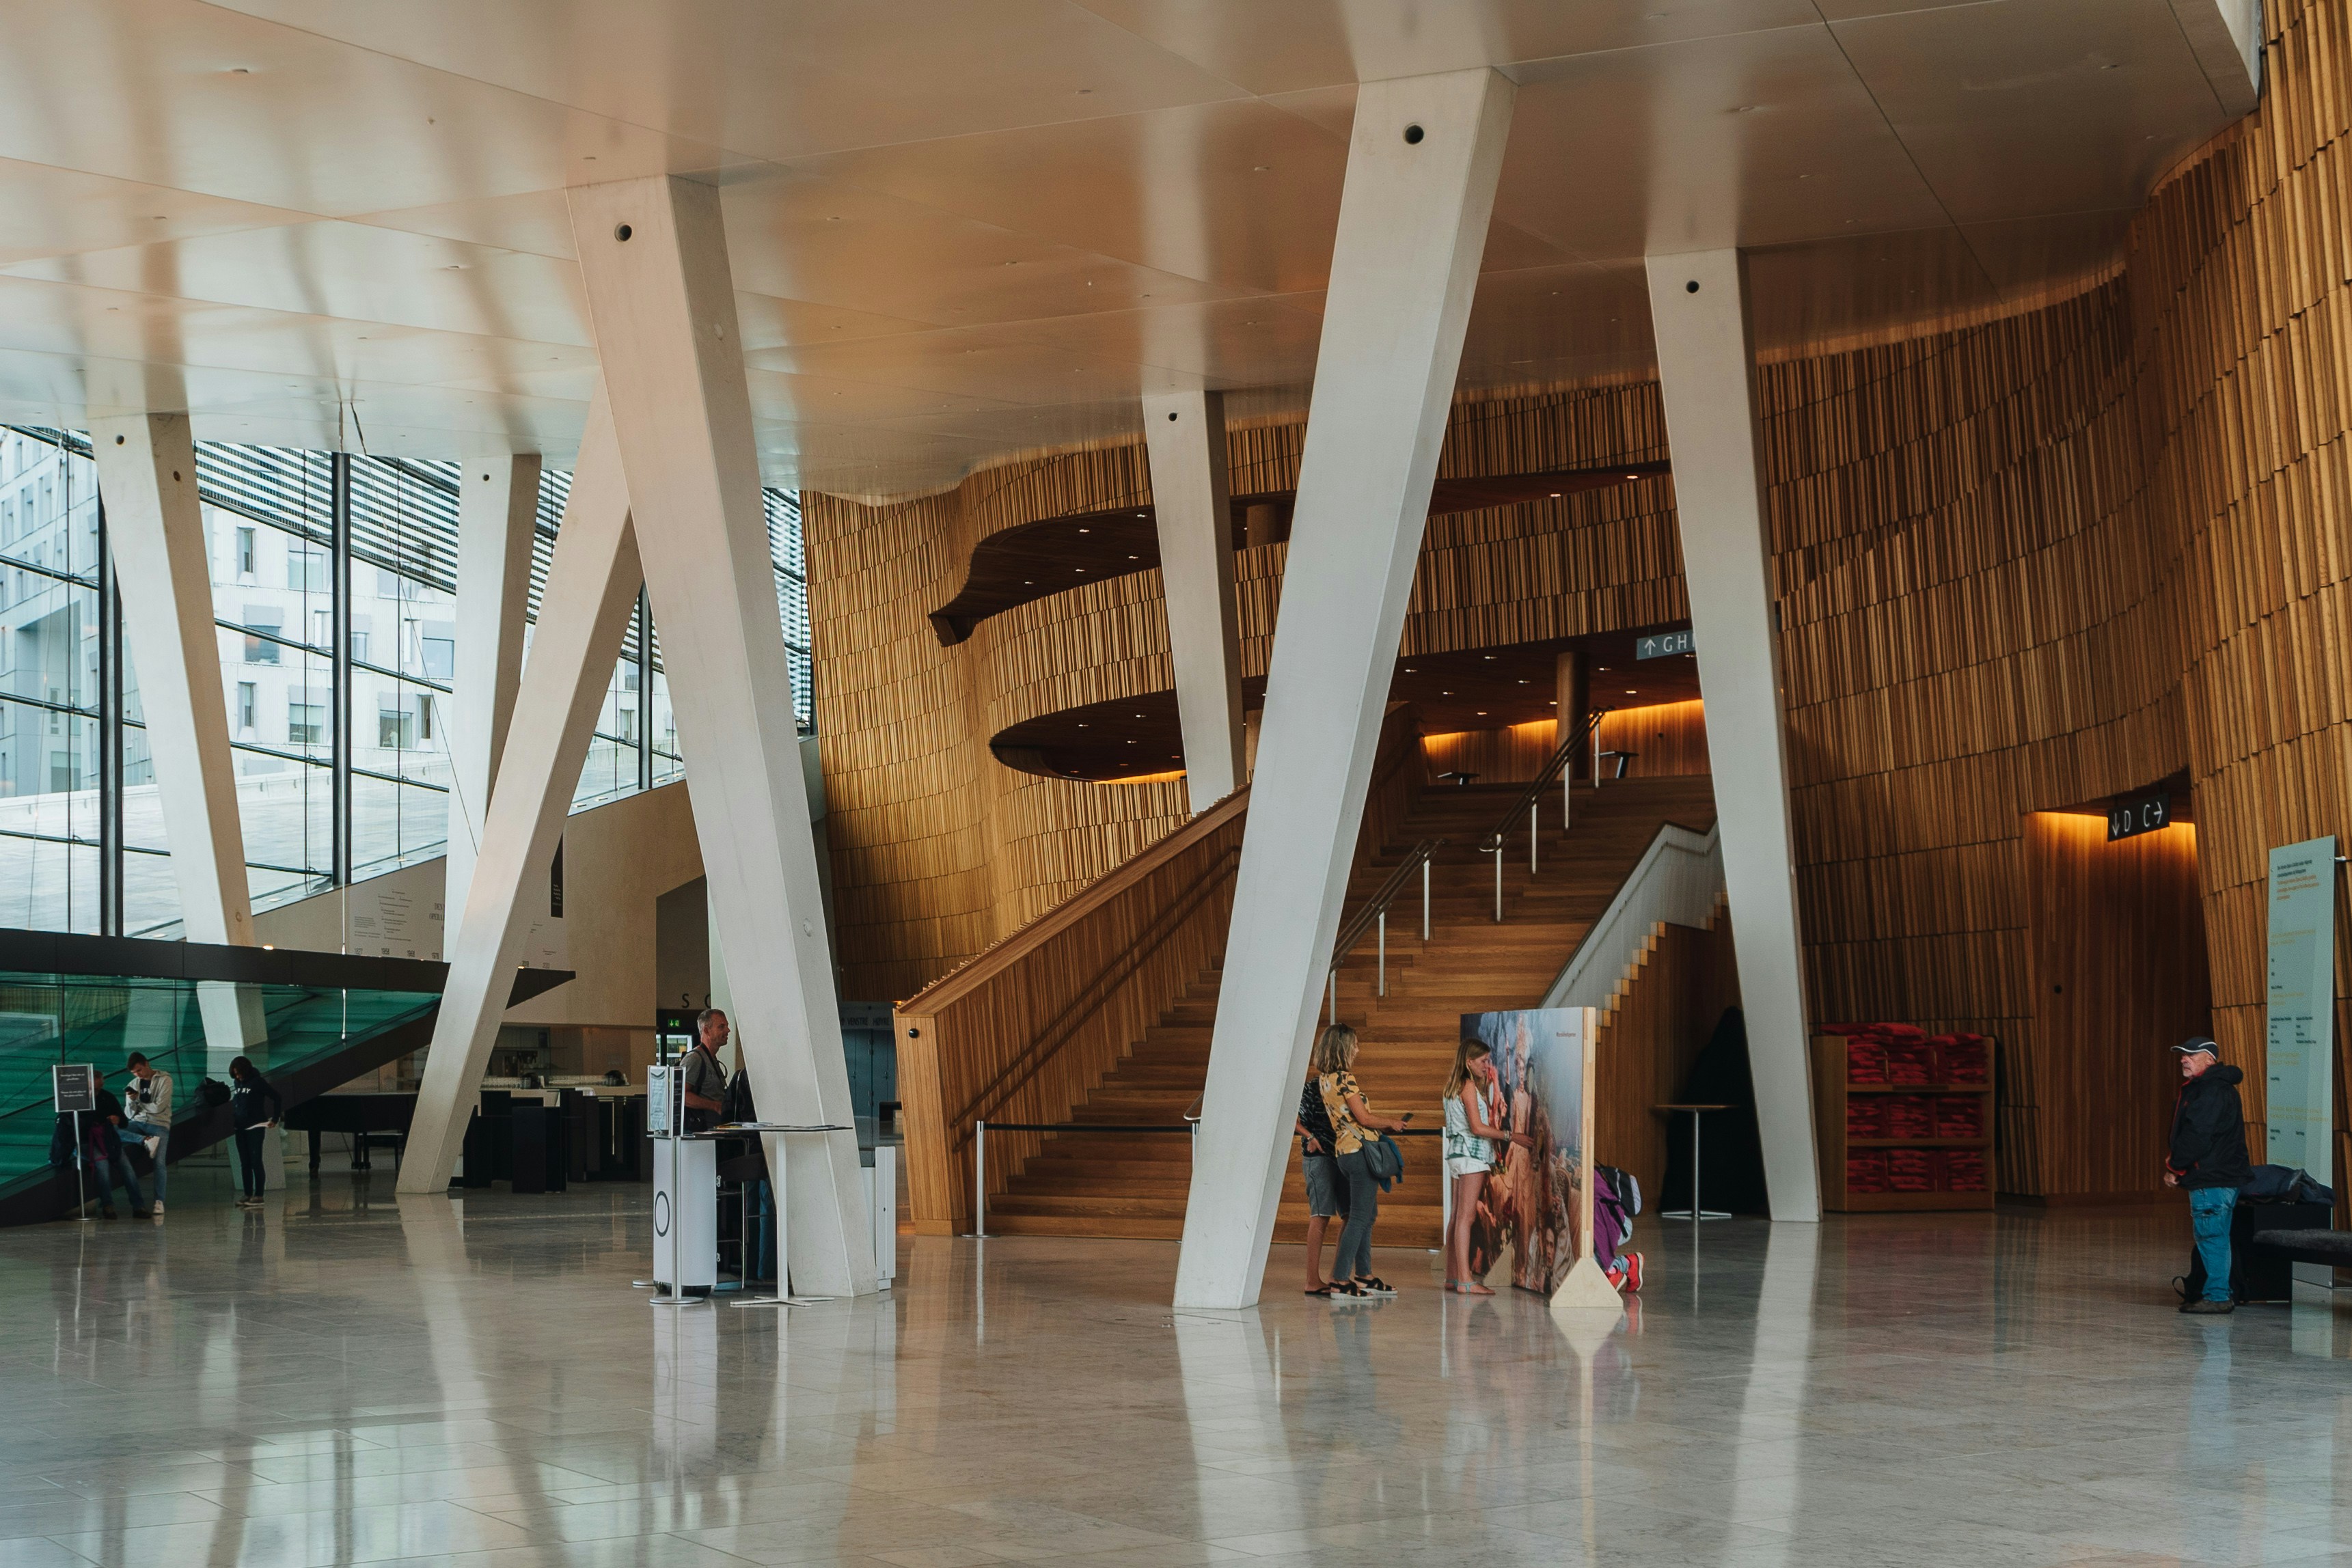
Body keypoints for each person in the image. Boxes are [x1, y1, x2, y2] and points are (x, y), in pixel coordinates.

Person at [1315, 1023, 1413, 1299]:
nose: (1357, 1049)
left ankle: (1364, 1275)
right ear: (1343, 1047)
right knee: (1359, 1217)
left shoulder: (1325, 1080)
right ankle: (1340, 1280)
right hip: (1359, 1151)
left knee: (1366, 1215)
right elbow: (1364, 1119)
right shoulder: (1346, 1079)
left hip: (1344, 1152)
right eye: (1354, 1044)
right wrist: (1392, 1122)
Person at [2165, 1036, 2250, 1315]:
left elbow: (2197, 1135)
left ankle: (2217, 1296)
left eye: (2191, 1054)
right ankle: (2216, 1293)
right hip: (2222, 1177)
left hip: (2212, 1178)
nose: (2183, 1059)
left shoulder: (2210, 1090)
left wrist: (2175, 1167)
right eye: (2182, 1054)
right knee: (2217, 1237)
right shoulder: (2215, 1087)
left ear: (2210, 1059)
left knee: (2211, 1237)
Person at [1442, 1039, 1531, 1295]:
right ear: (1469, 1062)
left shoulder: (1453, 1085)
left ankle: (1453, 1277)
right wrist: (1511, 1136)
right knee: (1466, 1218)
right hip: (1472, 1156)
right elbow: (1477, 1128)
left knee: (1457, 1217)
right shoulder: (1468, 1086)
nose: (1486, 1066)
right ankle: (1466, 1280)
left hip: (1458, 1156)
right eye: (1482, 1061)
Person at [1297, 1066, 1349, 1296]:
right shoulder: (1312, 1087)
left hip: (1342, 1155)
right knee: (1320, 1215)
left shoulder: (1345, 1084)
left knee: (1349, 1214)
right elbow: (1294, 1119)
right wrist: (1310, 1137)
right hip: (1318, 1156)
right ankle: (1312, 1280)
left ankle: (1337, 1276)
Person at [82, 1069, 149, 1220]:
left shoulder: (108, 1097)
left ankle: (138, 1206)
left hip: (108, 1139)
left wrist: (117, 1120)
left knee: (128, 1171)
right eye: (95, 1087)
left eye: (100, 1086)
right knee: (103, 1167)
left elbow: (124, 1121)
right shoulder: (81, 1100)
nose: (98, 1089)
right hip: (90, 1141)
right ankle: (107, 1205)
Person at [122, 1052, 173, 1217]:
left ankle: (159, 1201)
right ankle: (145, 1140)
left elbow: (159, 1108)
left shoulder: (165, 1080)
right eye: (134, 1073)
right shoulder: (134, 1083)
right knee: (113, 1131)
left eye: (139, 1070)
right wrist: (131, 1100)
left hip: (159, 1124)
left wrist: (140, 1102)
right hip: (138, 1123)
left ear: (146, 1064)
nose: (138, 1075)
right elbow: (129, 1114)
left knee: (159, 1162)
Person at [228, 1056, 282, 1209]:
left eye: (239, 1074)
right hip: (240, 1127)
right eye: (235, 1075)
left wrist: (275, 1118)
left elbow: (276, 1097)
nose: (238, 1077)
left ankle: (259, 1195)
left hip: (256, 1126)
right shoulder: (237, 1083)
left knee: (255, 1160)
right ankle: (247, 1194)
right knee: (245, 1162)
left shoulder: (258, 1082)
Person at [681, 1008, 731, 1134]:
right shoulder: (694, 1059)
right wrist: (715, 1106)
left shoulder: (711, 1059)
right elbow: (682, 1096)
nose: (728, 1030)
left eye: (727, 1026)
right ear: (707, 1031)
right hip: (702, 1134)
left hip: (715, 1131)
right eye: (722, 1027)